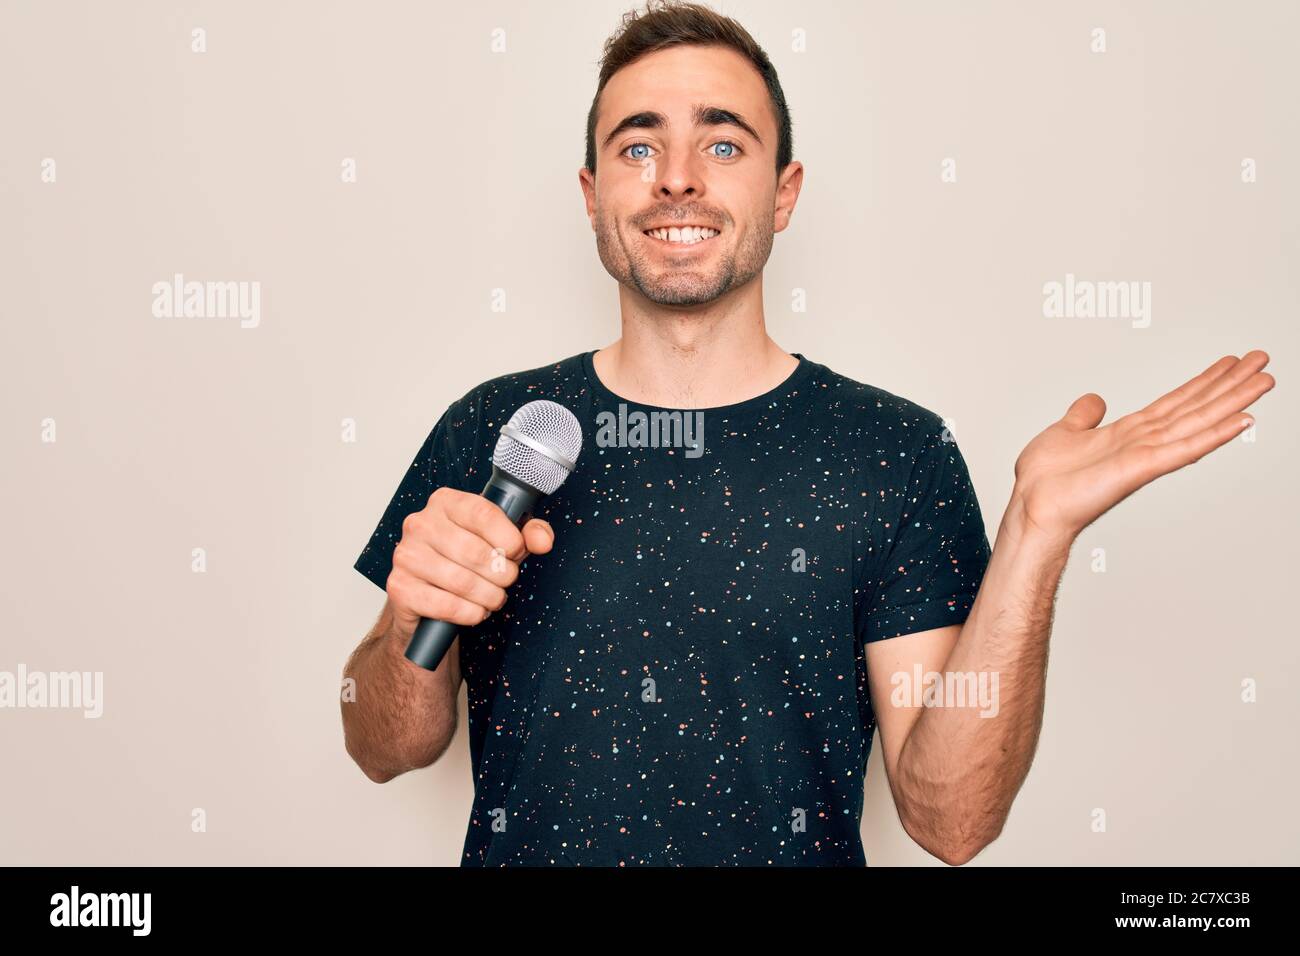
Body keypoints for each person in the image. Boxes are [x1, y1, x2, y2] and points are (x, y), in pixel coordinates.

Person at [340, 0, 1273, 866]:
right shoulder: (496, 430)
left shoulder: (897, 454)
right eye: (636, 147)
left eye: (724, 142)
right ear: (590, 194)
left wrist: (1037, 532)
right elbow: (384, 749)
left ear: (784, 193)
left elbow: (950, 820)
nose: (676, 178)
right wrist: (406, 625)